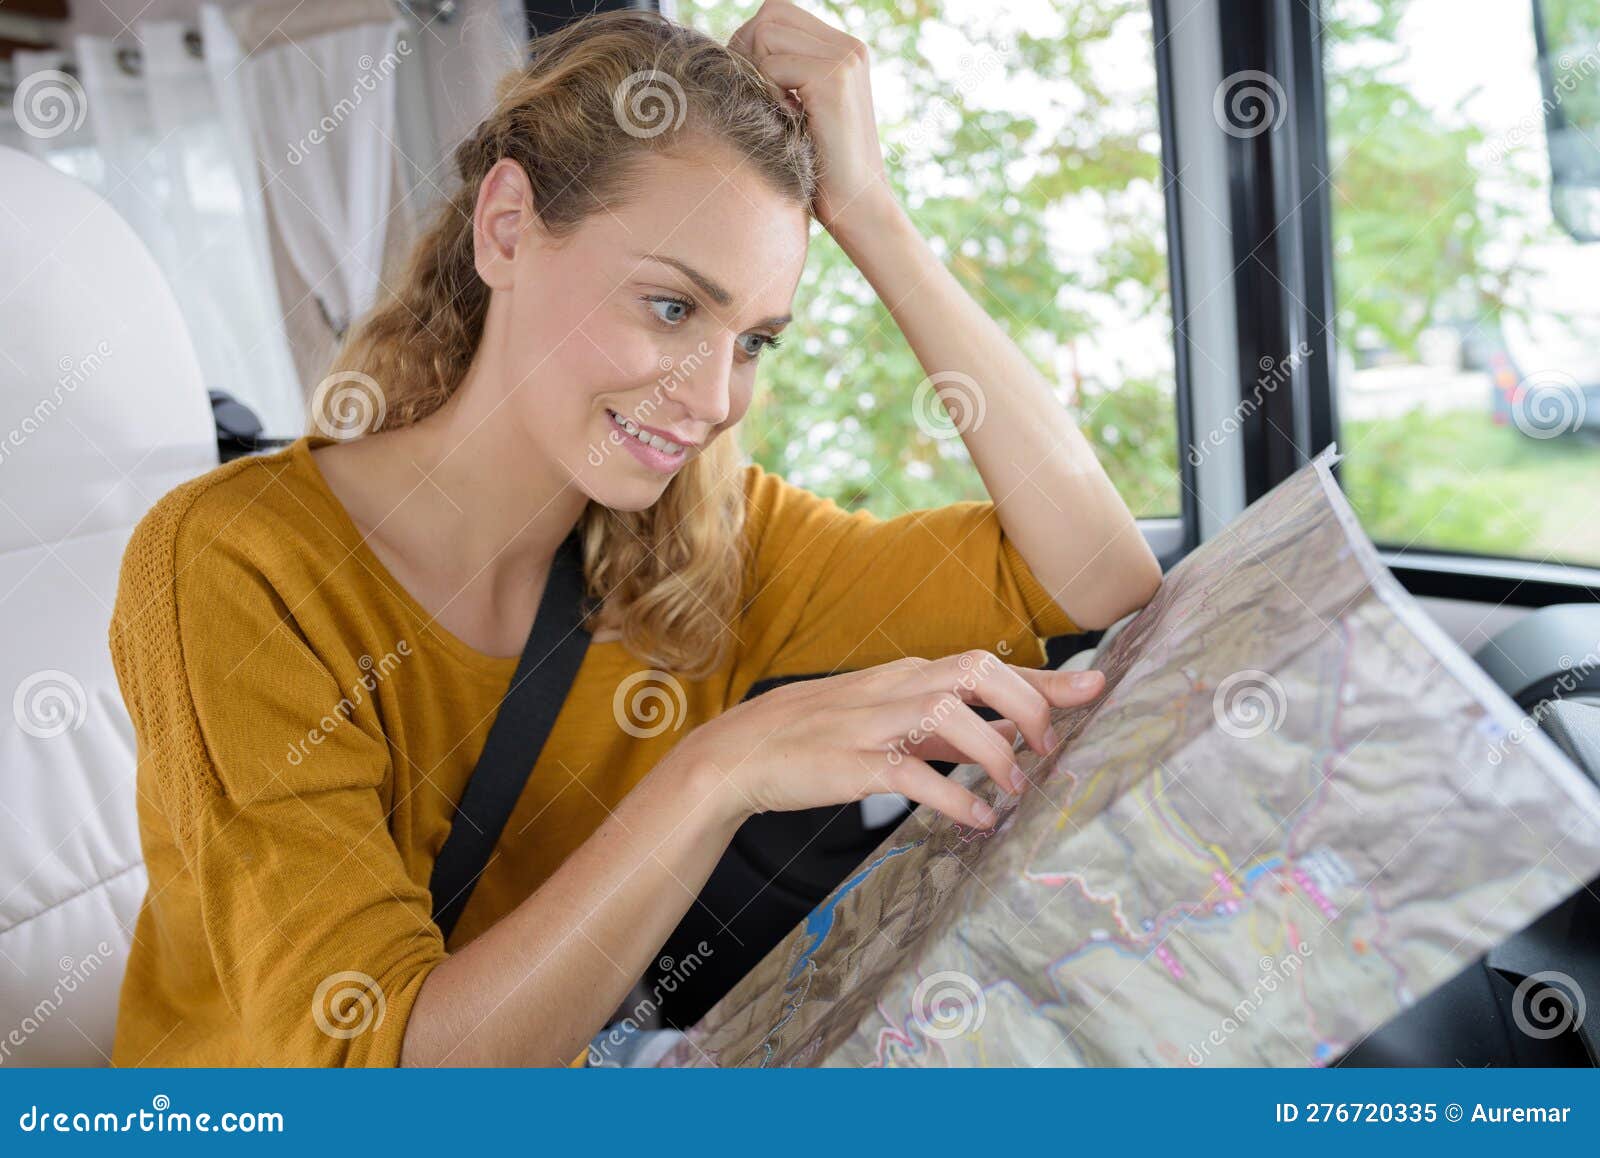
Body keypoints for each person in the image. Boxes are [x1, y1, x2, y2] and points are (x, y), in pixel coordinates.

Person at [108, 2, 1160, 1069]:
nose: (711, 396)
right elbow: (379, 1079)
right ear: (507, 226)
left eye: (751, 339)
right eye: (668, 307)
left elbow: (1095, 575)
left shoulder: (707, 547)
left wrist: (872, 213)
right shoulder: (234, 564)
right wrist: (720, 769)